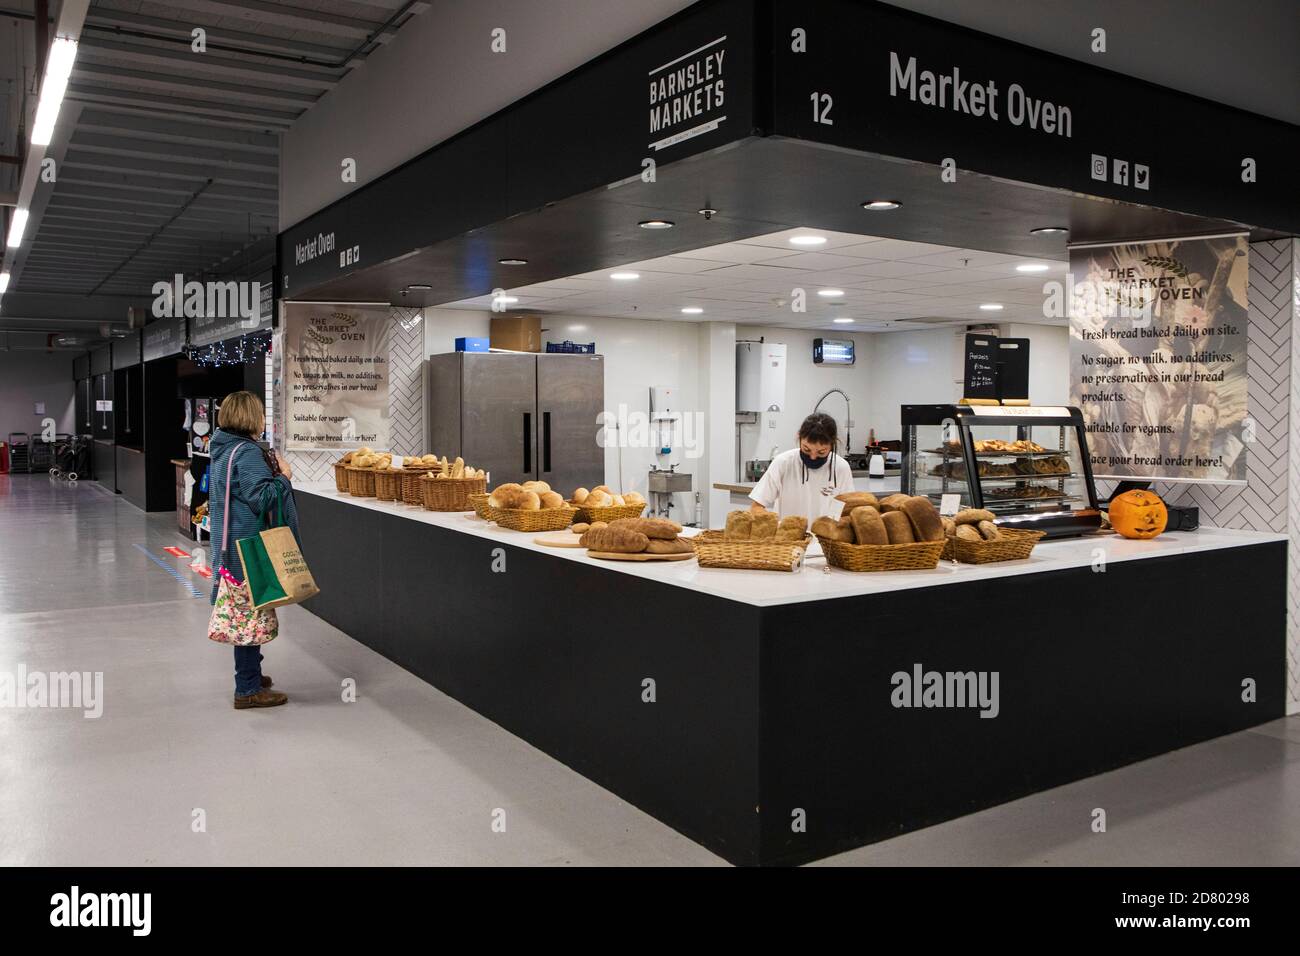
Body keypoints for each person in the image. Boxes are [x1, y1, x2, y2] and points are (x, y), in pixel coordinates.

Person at [206, 391, 299, 710]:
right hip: (247, 547)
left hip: (227, 544)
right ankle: (246, 689)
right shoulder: (245, 452)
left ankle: (252, 675)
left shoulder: (221, 448)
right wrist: (285, 478)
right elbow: (262, 499)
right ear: (251, 417)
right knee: (248, 614)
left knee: (245, 609)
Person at [748, 412, 853, 520]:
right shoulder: (783, 463)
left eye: (821, 452)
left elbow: (846, 511)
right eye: (806, 449)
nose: (813, 457)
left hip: (826, 536)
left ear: (832, 444)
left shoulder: (841, 468)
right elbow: (756, 507)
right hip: (787, 535)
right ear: (799, 437)